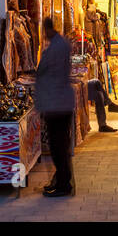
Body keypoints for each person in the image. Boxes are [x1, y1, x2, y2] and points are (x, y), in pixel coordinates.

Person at [36, 17, 76, 197]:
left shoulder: (56, 48)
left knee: (58, 146)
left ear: (48, 29)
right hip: (58, 102)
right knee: (59, 145)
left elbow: (47, 73)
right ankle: (60, 180)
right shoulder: (58, 45)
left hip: (57, 104)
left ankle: (63, 185)